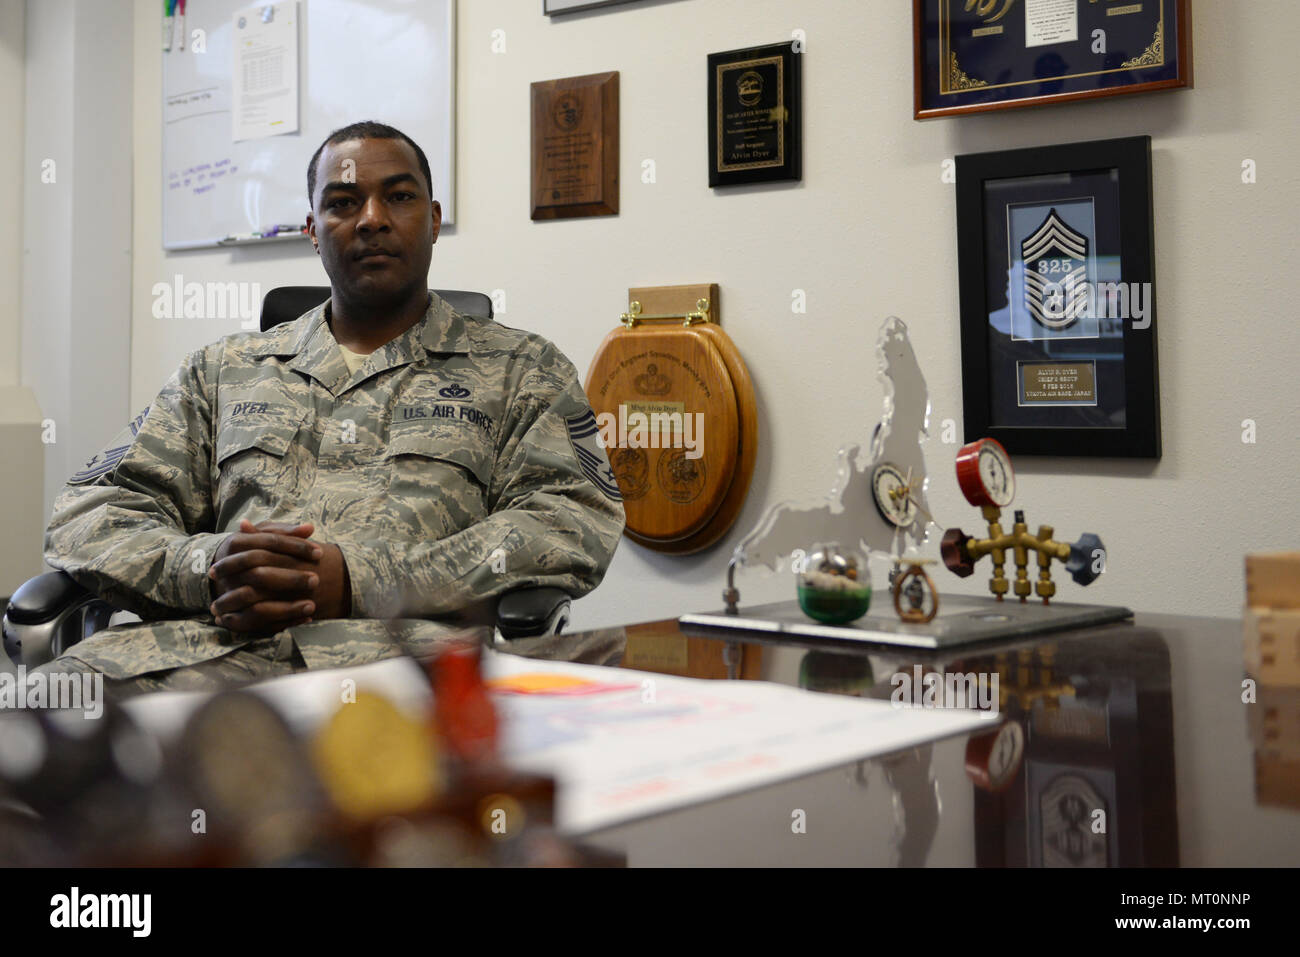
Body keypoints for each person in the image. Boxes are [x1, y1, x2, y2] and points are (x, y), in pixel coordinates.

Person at [31, 121, 625, 695]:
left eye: (398, 196)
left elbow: (568, 522)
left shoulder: (522, 370)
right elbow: (91, 514)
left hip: (398, 676)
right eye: (343, 202)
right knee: (36, 717)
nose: (372, 219)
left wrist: (362, 581)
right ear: (312, 229)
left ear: (434, 219)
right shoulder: (220, 371)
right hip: (196, 661)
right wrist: (209, 566)